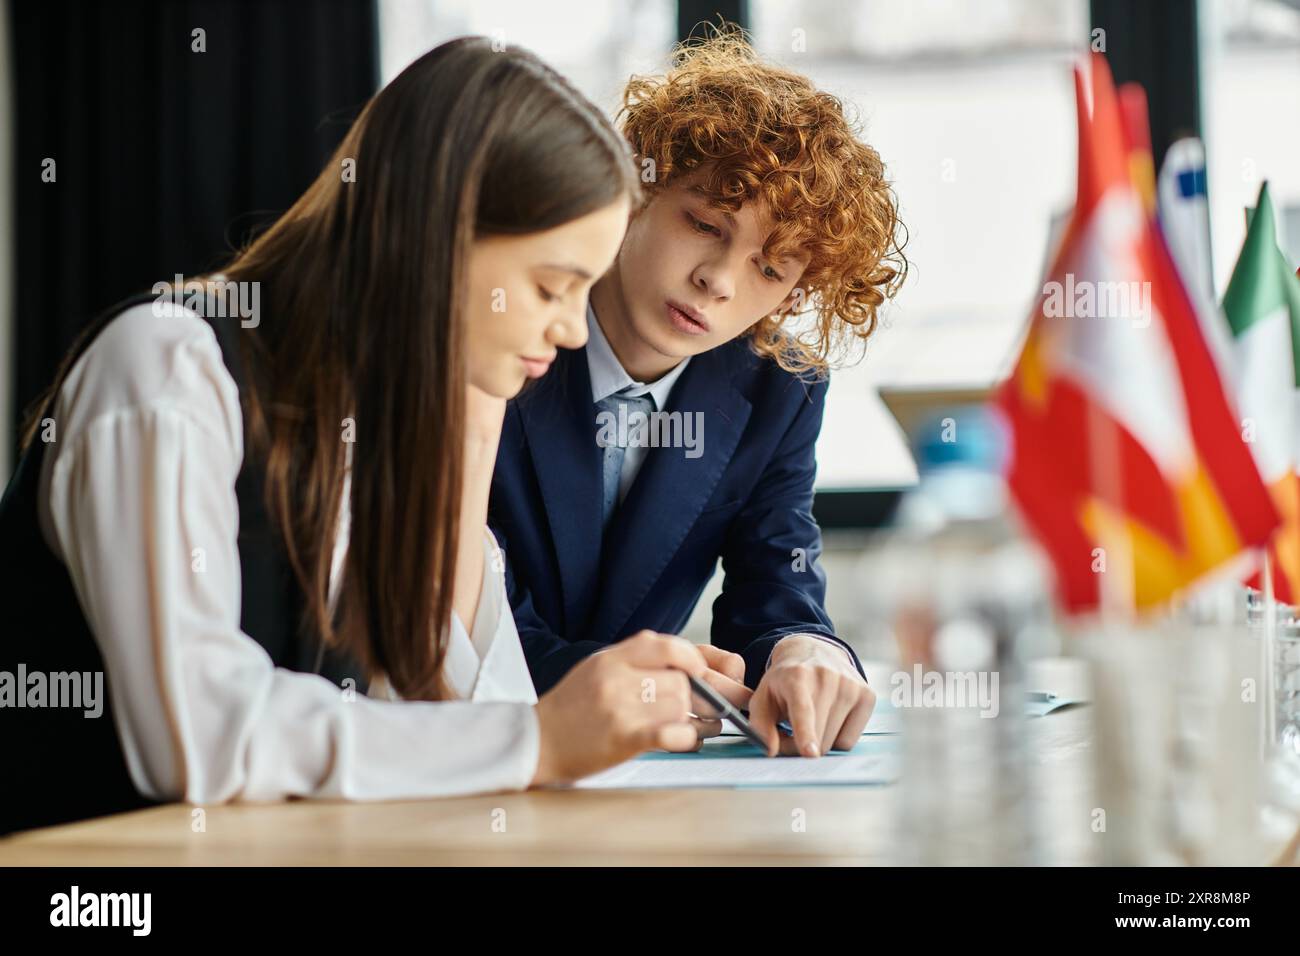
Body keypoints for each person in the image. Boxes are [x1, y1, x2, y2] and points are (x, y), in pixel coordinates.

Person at [0, 37, 711, 836]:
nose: (574, 330)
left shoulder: (373, 426)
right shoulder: (167, 370)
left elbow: (459, 719)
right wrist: (538, 741)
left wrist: (472, 446)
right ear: (438, 235)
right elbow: (201, 741)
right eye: (551, 286)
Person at [489, 34, 908, 757]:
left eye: (771, 269)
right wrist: (619, 685)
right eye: (706, 225)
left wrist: (806, 651)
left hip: (631, 785)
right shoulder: (507, 328)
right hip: (472, 741)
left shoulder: (783, 390)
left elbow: (775, 582)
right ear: (635, 190)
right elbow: (457, 618)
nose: (719, 279)